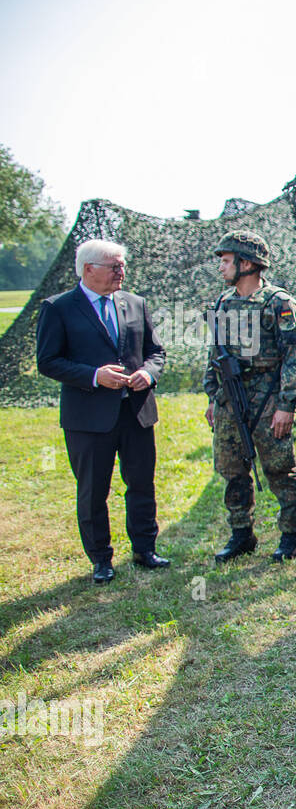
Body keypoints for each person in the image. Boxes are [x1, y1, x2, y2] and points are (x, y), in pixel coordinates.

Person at [35, 239, 168, 584]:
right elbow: (48, 361)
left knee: (141, 483)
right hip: (89, 418)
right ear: (89, 269)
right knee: (94, 489)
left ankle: (145, 549)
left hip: (136, 413)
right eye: (115, 267)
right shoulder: (58, 308)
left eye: (123, 265)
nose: (121, 272)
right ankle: (101, 559)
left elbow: (156, 352)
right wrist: (95, 376)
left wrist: (148, 373)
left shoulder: (135, 303)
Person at [202, 230, 296, 563]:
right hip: (229, 401)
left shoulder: (279, 303)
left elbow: (295, 356)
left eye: (226, 260)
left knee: (279, 470)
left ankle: (291, 536)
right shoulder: (222, 302)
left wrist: (286, 405)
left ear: (246, 264)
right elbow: (214, 354)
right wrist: (212, 397)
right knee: (232, 470)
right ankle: (241, 535)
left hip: (267, 402)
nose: (221, 267)